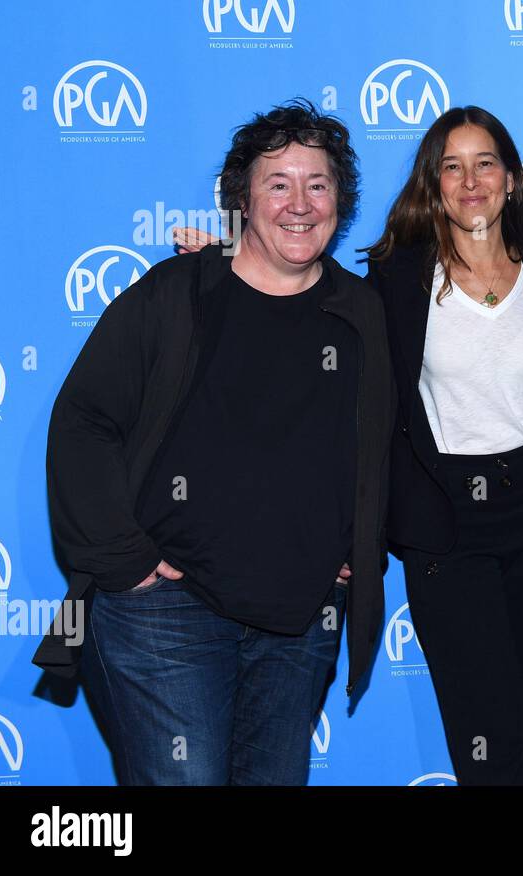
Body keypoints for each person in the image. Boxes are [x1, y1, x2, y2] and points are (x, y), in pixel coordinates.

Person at [34, 100, 397, 785]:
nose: (299, 203)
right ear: (244, 200)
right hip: (166, 612)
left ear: (340, 199)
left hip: (300, 616)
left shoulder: (361, 313)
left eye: (317, 183)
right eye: (278, 183)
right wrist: (125, 560)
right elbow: (84, 420)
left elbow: (380, 441)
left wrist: (358, 546)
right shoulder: (178, 293)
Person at [365, 106, 523, 785]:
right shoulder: (396, 279)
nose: (470, 180)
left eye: (485, 162)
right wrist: (219, 262)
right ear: (434, 185)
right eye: (451, 166)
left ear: (511, 180)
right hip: (446, 522)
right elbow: (312, 322)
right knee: (485, 725)